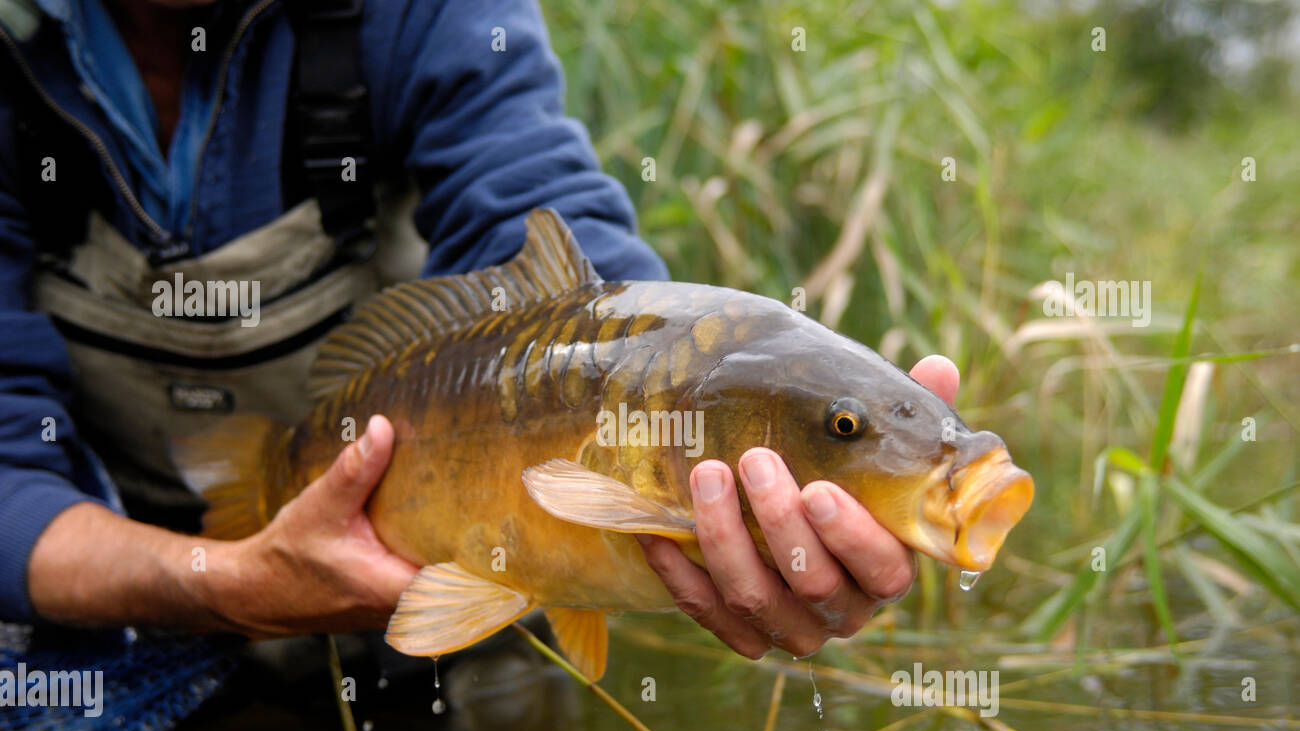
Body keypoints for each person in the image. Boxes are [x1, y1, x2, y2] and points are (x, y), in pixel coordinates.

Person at [1, 0, 959, 664]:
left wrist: (680, 402)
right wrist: (219, 580)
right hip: (101, 587)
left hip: (426, 606)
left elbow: (536, 206)